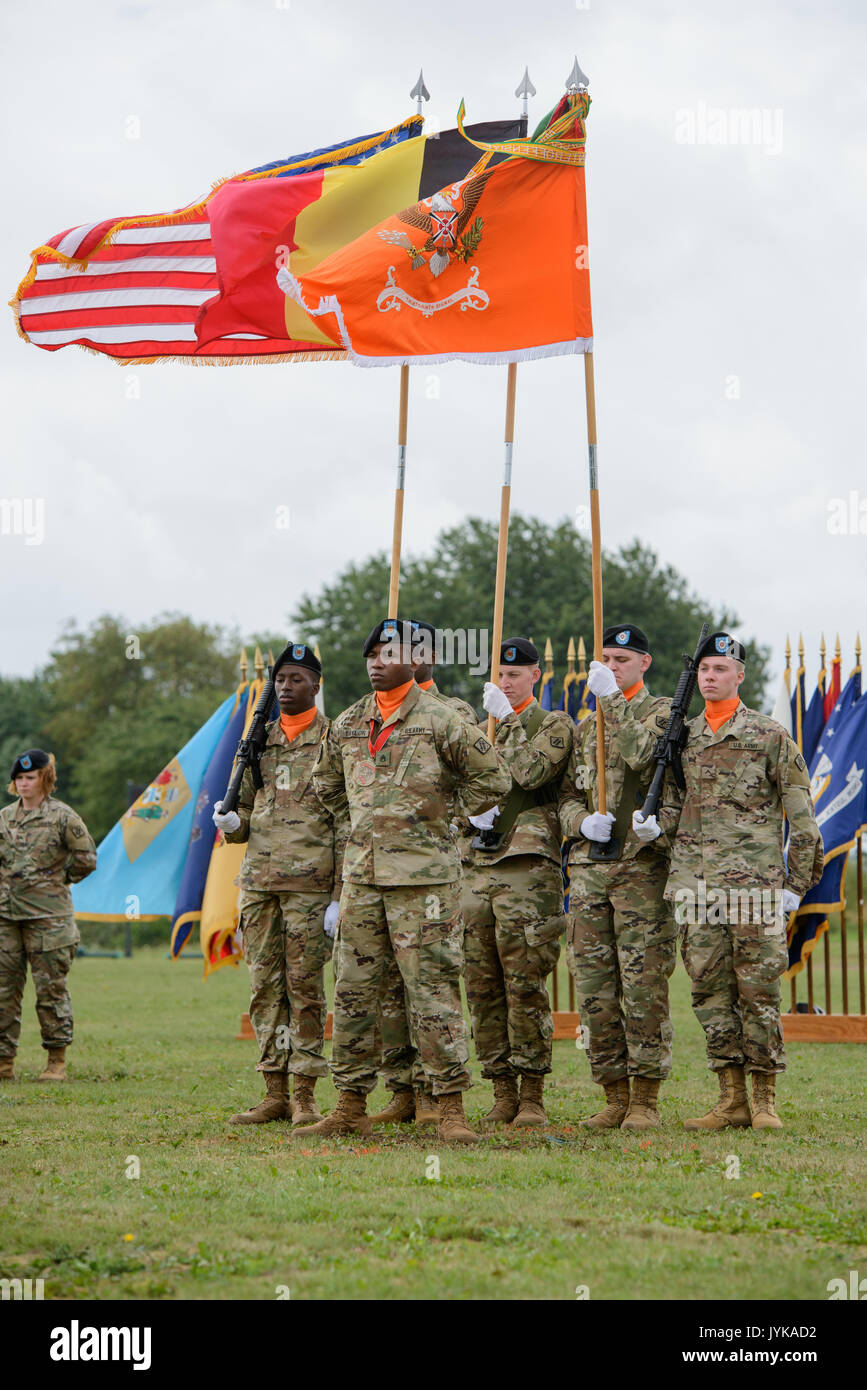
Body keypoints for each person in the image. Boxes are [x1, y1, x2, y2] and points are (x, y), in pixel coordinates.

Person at [299, 618, 511, 1144]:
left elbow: (495, 777)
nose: (376, 662)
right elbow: (325, 783)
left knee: (433, 990)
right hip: (363, 880)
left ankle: (451, 1107)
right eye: (370, 653)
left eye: (387, 653)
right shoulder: (348, 722)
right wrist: (361, 826)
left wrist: (444, 815)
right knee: (353, 991)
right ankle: (349, 1103)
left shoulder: (441, 718)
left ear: (414, 658)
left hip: (426, 881)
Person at [664, 632, 823, 1131]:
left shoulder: (769, 735)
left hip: (754, 888)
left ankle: (764, 1099)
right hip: (696, 886)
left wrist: (794, 887)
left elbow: (804, 822)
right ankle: (730, 1098)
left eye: (719, 669)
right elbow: (672, 805)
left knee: (757, 992)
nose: (710, 677)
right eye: (704, 670)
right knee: (709, 992)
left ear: (740, 675)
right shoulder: (682, 736)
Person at [214, 643, 343, 1126]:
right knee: (265, 988)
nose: (287, 688)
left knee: (305, 988)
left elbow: (346, 820)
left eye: (296, 679)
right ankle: (274, 1090)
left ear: (316, 684)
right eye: (281, 680)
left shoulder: (334, 741)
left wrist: (337, 896)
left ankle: (306, 1093)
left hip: (310, 887)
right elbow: (242, 809)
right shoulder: (257, 741)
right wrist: (231, 825)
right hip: (260, 884)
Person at [559, 625, 678, 1130]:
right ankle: (612, 1094)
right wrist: (577, 823)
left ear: (644, 663)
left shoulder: (665, 714)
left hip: (640, 871)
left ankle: (645, 1100)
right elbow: (564, 797)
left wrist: (613, 701)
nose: (611, 666)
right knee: (593, 987)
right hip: (589, 872)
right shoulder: (585, 729)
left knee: (643, 984)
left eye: (622, 659)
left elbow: (641, 756)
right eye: (605, 658)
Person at [459, 637, 573, 1127]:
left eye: (515, 674)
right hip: (476, 866)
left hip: (526, 863)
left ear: (536, 676)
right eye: (500, 674)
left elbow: (529, 773)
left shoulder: (554, 724)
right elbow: (459, 787)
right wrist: (469, 817)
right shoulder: (476, 725)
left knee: (524, 981)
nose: (505, 681)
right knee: (481, 984)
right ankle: (501, 1090)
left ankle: (531, 1096)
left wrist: (505, 718)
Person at [371, 619, 479, 1130]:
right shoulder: (374, 713)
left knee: (430, 982)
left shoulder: (451, 713)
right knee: (388, 988)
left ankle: (442, 1094)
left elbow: (476, 779)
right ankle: (404, 1089)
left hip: (429, 868)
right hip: (377, 868)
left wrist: (453, 819)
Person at [0, 749, 96, 1081]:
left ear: (45, 779)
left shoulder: (63, 817)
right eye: (20, 779)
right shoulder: (4, 818)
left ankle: (56, 1061)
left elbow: (86, 858)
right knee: (3, 991)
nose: (24, 784)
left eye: (30, 778)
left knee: (50, 990)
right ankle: (3, 1062)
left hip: (49, 919)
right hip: (7, 918)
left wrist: (59, 879)